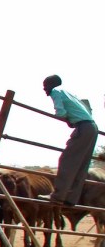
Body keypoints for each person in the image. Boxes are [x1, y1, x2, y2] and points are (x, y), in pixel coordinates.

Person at [41, 74, 97, 206]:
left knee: (67, 160)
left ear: (52, 84)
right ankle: (71, 199)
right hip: (92, 127)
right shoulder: (69, 93)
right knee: (82, 164)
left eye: (45, 87)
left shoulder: (56, 92)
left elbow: (60, 112)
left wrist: (66, 119)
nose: (45, 91)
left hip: (83, 127)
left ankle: (57, 196)